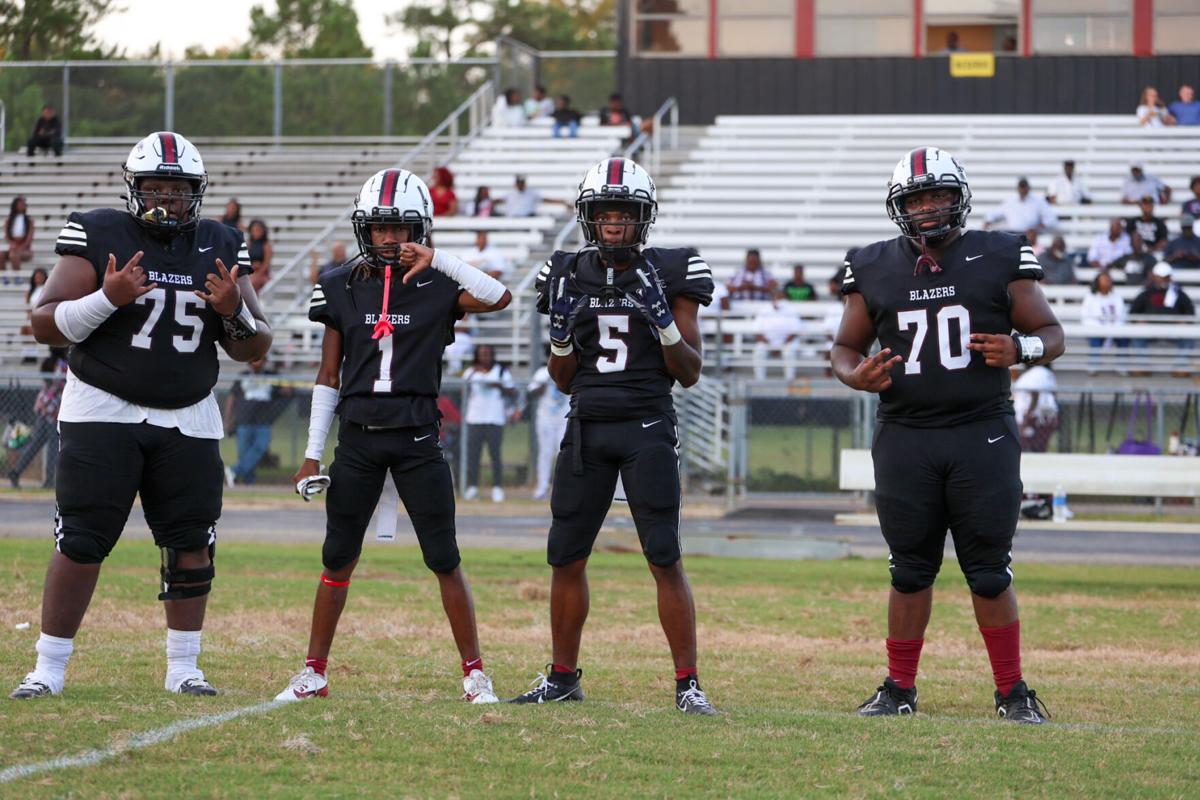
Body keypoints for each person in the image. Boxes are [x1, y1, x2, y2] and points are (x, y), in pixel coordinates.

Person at [10, 131, 272, 700]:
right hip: (103, 406)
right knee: (81, 536)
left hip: (189, 414)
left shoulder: (220, 242)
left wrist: (233, 311)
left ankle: (184, 668)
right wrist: (107, 298)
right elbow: (43, 323)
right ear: (135, 188)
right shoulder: (100, 231)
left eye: (178, 189)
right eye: (155, 187)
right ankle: (48, 668)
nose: (167, 199)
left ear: (196, 192)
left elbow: (255, 346)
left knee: (192, 540)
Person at [833, 146, 1062, 724]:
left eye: (938, 195)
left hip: (980, 430)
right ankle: (898, 688)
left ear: (959, 198)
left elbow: (1052, 332)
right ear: (900, 206)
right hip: (905, 434)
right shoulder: (871, 263)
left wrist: (1020, 348)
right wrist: (854, 376)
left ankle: (1013, 692)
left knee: (989, 570)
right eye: (917, 198)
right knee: (909, 569)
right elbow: (844, 347)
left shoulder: (999, 252)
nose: (929, 207)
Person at [276, 167, 511, 705]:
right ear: (364, 228)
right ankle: (313, 671)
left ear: (420, 229)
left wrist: (441, 260)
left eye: (400, 227)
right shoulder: (339, 283)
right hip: (357, 439)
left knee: (444, 557)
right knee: (337, 557)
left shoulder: (439, 281)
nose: (388, 238)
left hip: (418, 438)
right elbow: (328, 374)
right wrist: (312, 452)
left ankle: (475, 673)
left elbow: (499, 297)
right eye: (380, 227)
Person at [510, 157, 718, 715]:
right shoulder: (564, 271)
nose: (614, 224)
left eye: (624, 214)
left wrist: (663, 321)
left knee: (663, 555)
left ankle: (688, 684)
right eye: (605, 213)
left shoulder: (672, 268)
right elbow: (562, 379)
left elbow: (690, 371)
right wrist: (559, 340)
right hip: (586, 427)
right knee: (565, 556)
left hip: (647, 426)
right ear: (589, 217)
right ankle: (562, 678)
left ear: (643, 218)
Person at [223, 357, 291, 486]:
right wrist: (227, 419)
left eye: (260, 360)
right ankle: (249, 484)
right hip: (243, 420)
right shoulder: (243, 376)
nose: (257, 363)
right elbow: (232, 397)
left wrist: (280, 370)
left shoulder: (272, 376)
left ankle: (233, 470)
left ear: (265, 362)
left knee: (261, 446)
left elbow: (287, 390)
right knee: (244, 453)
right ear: (249, 362)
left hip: (263, 421)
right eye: (254, 360)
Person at [462, 344, 516, 503]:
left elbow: (512, 391)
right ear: (477, 356)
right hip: (474, 419)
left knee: (495, 455)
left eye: (487, 354)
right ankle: (472, 486)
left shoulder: (501, 371)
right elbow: (462, 392)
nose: (485, 357)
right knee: (473, 455)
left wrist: (498, 386)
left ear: (492, 355)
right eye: (482, 354)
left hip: (495, 419)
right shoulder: (470, 372)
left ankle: (497, 487)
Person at [7, 349, 68, 489]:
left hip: (44, 407)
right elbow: (57, 386)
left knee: (36, 444)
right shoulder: (62, 364)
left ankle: (16, 472)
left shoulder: (50, 362)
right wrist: (51, 405)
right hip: (51, 410)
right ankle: (49, 480)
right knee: (53, 445)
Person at [1013, 366, 1059, 520]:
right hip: (1042, 417)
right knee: (1034, 454)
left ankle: (1034, 495)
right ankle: (1034, 495)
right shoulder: (1042, 374)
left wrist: (1027, 418)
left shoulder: (1036, 373)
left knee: (1029, 454)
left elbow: (1035, 394)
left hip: (1036, 419)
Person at [1129, 262, 1195, 360]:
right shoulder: (1146, 293)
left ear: (1170, 277)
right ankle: (1142, 364)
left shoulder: (1178, 293)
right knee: (1137, 336)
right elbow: (1133, 312)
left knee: (1188, 338)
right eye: (1161, 277)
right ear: (1155, 277)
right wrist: (1138, 321)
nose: (1163, 280)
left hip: (1174, 330)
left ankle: (1181, 364)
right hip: (1149, 329)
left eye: (1166, 277)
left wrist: (1185, 321)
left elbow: (1190, 311)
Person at [527, 352, 569, 501]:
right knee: (545, 453)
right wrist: (544, 385)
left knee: (563, 453)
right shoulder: (542, 373)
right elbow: (531, 393)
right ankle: (542, 487)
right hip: (545, 420)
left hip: (564, 419)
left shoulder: (569, 369)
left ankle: (563, 488)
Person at [1080, 271, 1127, 371]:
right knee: (1095, 339)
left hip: (1115, 328)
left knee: (1123, 340)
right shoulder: (1090, 297)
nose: (1107, 282)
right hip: (1096, 328)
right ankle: (1093, 366)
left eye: (1108, 280)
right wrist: (1101, 328)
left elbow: (1122, 315)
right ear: (1097, 282)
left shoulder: (1116, 296)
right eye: (1104, 280)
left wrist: (1112, 328)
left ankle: (1122, 366)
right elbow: (1085, 317)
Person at [752, 295, 803, 380]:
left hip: (787, 342)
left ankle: (789, 379)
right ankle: (759, 379)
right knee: (759, 352)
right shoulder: (764, 310)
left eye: (779, 298)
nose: (777, 301)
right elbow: (757, 331)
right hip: (767, 342)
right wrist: (769, 345)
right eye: (775, 298)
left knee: (789, 352)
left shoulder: (791, 310)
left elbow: (795, 331)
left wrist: (782, 345)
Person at [984, 177, 1057, 234]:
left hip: (1030, 235)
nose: (1023, 189)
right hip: (1012, 234)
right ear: (1018, 188)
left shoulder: (1038, 201)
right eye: (1021, 186)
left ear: (1028, 187)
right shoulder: (1010, 202)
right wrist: (988, 220)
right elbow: (995, 213)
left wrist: (1037, 228)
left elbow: (1050, 219)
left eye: (1024, 186)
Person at [494, 175, 569, 218]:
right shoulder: (509, 193)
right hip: (514, 219)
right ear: (516, 184)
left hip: (528, 218)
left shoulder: (531, 192)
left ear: (524, 183)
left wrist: (561, 202)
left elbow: (545, 199)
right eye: (519, 183)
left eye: (522, 183)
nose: (520, 185)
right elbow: (497, 200)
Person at [3, 196, 35, 272]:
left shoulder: (29, 220)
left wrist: (21, 247)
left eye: (23, 204)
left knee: (13, 255)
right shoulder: (9, 220)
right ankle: (3, 276)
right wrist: (12, 244)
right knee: (1, 255)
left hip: (25, 249)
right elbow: (6, 235)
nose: (22, 206)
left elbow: (29, 237)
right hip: (13, 246)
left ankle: (18, 276)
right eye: (20, 204)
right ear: (15, 205)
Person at [245, 219, 272, 294]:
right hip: (250, 271)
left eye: (258, 230)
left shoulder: (266, 245)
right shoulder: (249, 244)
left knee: (253, 282)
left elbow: (266, 264)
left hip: (262, 273)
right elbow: (245, 261)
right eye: (254, 230)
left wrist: (258, 273)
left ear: (263, 231)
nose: (256, 232)